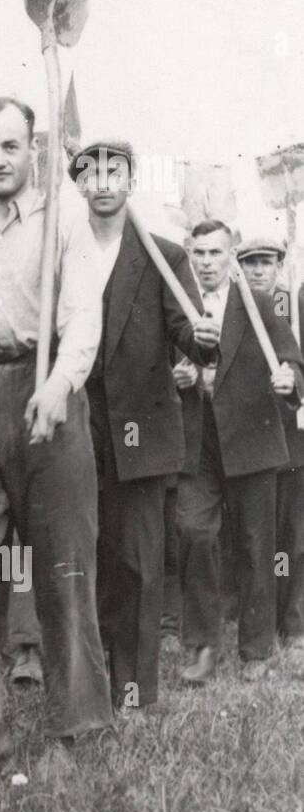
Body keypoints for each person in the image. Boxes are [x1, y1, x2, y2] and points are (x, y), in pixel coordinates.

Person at [0, 97, 113, 782]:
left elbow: (82, 317)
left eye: (10, 146)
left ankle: (73, 729)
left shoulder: (64, 218)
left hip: (49, 398)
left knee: (63, 569)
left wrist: (60, 384)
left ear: (31, 149)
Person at [72, 139, 219, 711]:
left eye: (116, 172)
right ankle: (92, 682)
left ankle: (136, 689)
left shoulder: (162, 256)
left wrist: (203, 341)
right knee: (91, 557)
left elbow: (186, 328)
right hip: (79, 426)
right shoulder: (65, 252)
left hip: (141, 431)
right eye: (92, 172)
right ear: (78, 184)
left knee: (136, 559)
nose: (104, 182)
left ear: (131, 183)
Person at [174, 220, 303, 683]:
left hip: (252, 435)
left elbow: (293, 360)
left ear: (231, 258)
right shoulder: (179, 303)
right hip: (199, 438)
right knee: (195, 532)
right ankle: (204, 646)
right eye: (200, 254)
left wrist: (291, 380)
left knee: (256, 544)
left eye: (216, 254)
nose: (207, 263)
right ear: (190, 255)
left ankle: (256, 649)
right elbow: (162, 364)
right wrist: (179, 378)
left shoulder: (260, 304)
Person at [234, 234, 304, 672]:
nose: (260, 270)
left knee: (293, 535)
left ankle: (293, 622)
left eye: (267, 263)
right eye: (252, 263)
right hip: (253, 438)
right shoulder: (234, 307)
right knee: (260, 535)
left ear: (279, 265)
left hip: (293, 437)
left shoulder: (288, 306)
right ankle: (257, 617)